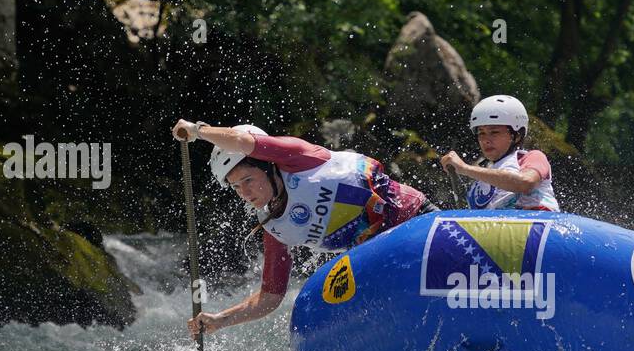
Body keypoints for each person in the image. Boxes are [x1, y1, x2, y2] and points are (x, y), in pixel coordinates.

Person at [170, 120, 433, 338]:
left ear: (269, 165)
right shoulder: (274, 226)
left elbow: (241, 142)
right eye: (237, 187)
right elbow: (270, 297)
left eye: (248, 180)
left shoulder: (299, 158)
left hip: (419, 223)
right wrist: (219, 319)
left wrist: (197, 131)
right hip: (381, 257)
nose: (245, 193)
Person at [438, 95, 560, 211]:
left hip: (538, 227)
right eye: (481, 133)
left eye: (494, 132)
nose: (486, 140)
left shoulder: (532, 157)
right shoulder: (480, 183)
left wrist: (465, 168)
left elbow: (525, 183)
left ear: (516, 136)